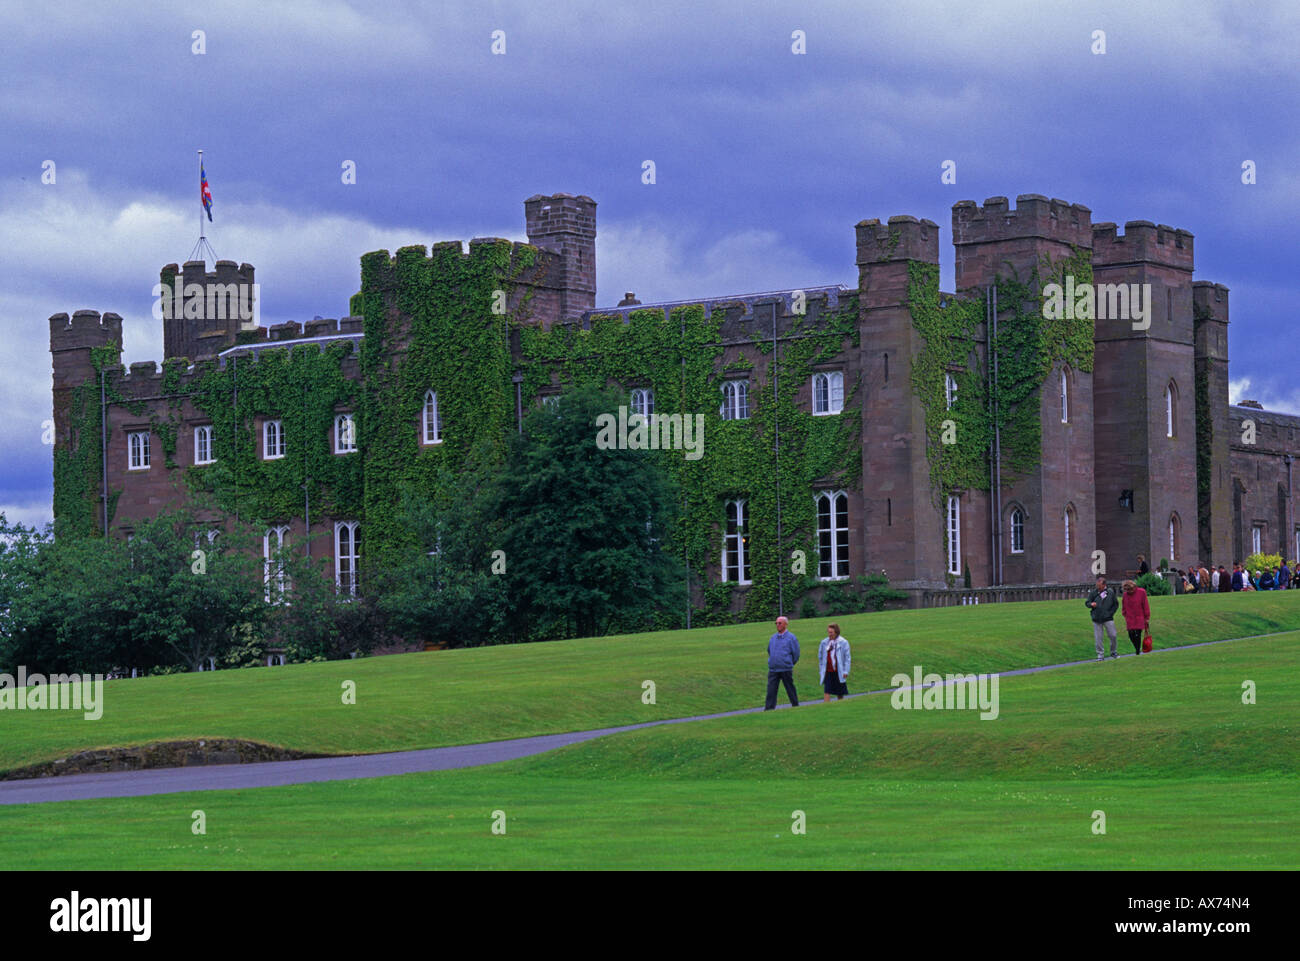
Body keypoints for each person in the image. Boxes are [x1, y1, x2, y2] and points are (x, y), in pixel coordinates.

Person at [764, 615, 800, 710]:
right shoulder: (773, 638)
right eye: (776, 623)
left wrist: (788, 662)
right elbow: (769, 650)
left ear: (785, 624)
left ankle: (795, 705)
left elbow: (796, 654)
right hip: (774, 669)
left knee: (790, 688)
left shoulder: (791, 638)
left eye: (780, 623)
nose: (777, 625)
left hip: (785, 668)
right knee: (771, 690)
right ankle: (769, 709)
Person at [1086, 576, 1120, 660]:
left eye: (1099, 586)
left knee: (1113, 635)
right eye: (1097, 585)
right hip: (1096, 618)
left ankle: (1113, 652)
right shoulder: (1093, 593)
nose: (1098, 587)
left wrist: (1110, 613)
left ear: (1104, 585)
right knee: (1098, 638)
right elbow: (1087, 602)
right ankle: (1100, 655)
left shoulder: (1110, 592)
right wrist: (1091, 604)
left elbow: (1115, 604)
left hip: (1108, 618)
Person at [818, 623, 851, 702]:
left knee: (839, 693)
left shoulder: (843, 642)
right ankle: (825, 708)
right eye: (828, 632)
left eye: (831, 632)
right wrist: (821, 669)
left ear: (836, 632)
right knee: (827, 691)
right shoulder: (824, 642)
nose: (829, 634)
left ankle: (840, 707)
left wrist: (846, 671)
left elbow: (847, 658)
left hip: (838, 671)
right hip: (828, 671)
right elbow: (821, 657)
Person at [1121, 579, 1151, 655]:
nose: (1129, 591)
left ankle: (1137, 651)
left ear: (1134, 587)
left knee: (1138, 634)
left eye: (1130, 589)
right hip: (1130, 618)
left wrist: (1147, 618)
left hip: (1139, 617)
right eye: (1127, 590)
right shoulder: (1125, 595)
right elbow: (1123, 605)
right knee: (1131, 635)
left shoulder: (1142, 592)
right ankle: (1137, 648)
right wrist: (1124, 613)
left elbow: (1145, 605)